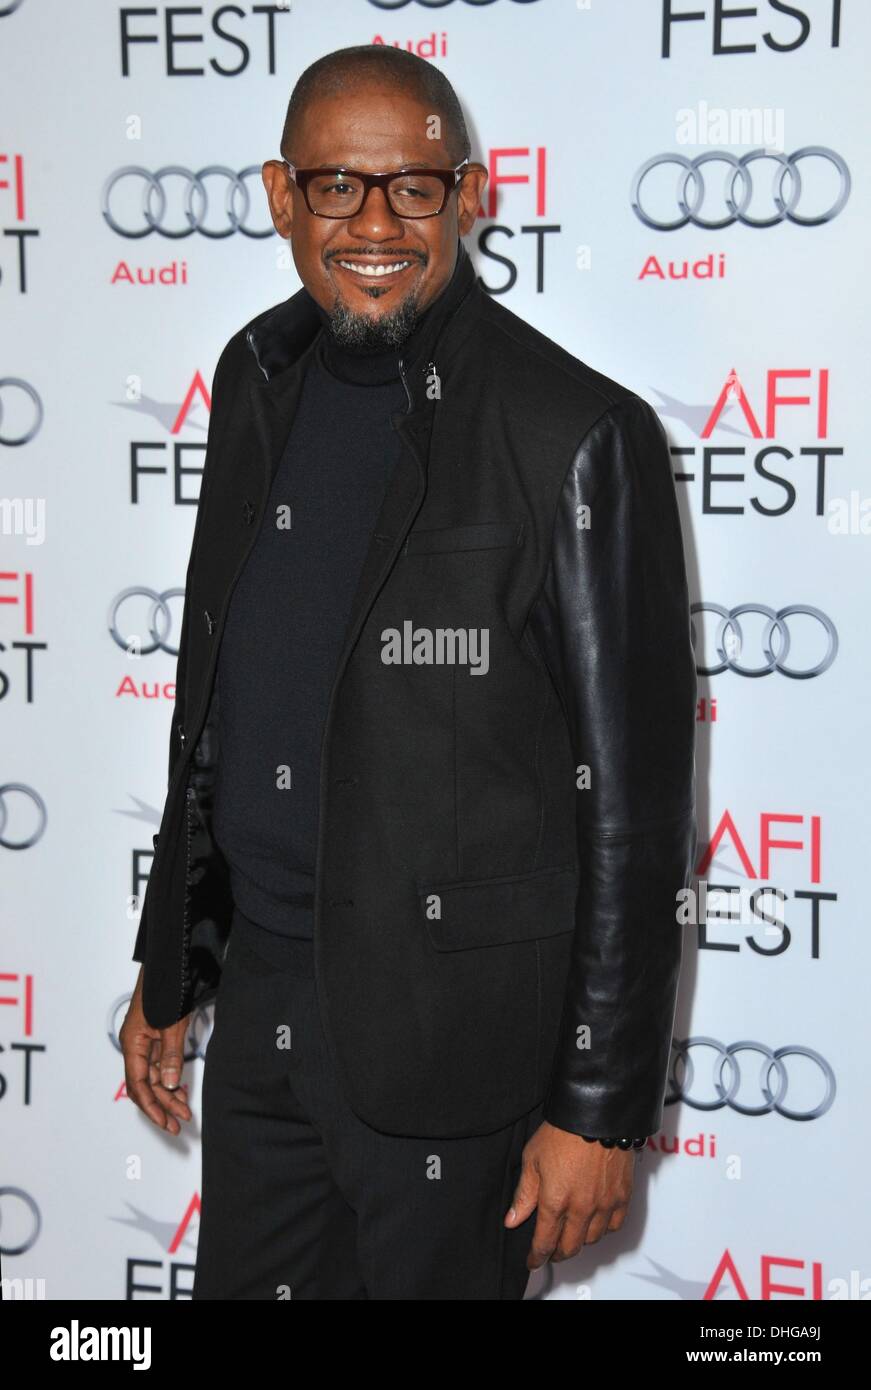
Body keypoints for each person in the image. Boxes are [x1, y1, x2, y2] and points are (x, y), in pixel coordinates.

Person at [120, 44, 697, 1301]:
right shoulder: (253, 380)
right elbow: (220, 692)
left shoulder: (576, 432)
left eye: (413, 189)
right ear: (282, 197)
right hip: (267, 1016)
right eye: (337, 188)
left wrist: (598, 1109)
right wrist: (176, 957)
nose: (375, 225)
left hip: (455, 1051)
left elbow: (637, 812)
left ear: (469, 196)